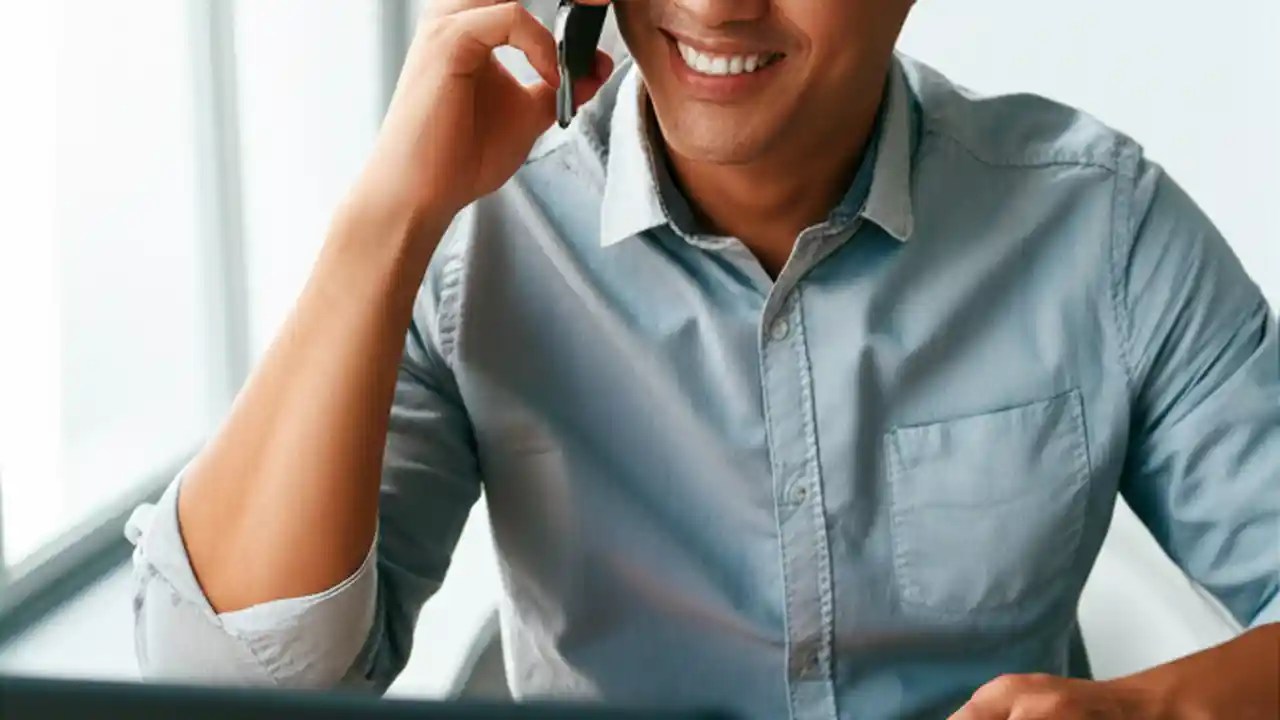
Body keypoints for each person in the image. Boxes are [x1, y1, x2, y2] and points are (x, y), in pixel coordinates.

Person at [124, 1, 1280, 718]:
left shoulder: (1100, 227)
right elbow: (221, 689)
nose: (717, 6)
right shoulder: (478, 228)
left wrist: (1143, 714)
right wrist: (384, 221)